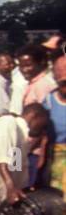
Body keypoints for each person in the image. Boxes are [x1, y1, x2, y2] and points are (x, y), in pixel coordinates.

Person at [45, 54, 66, 191]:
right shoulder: (47, 102)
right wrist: (14, 179)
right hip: (55, 163)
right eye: (63, 83)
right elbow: (17, 143)